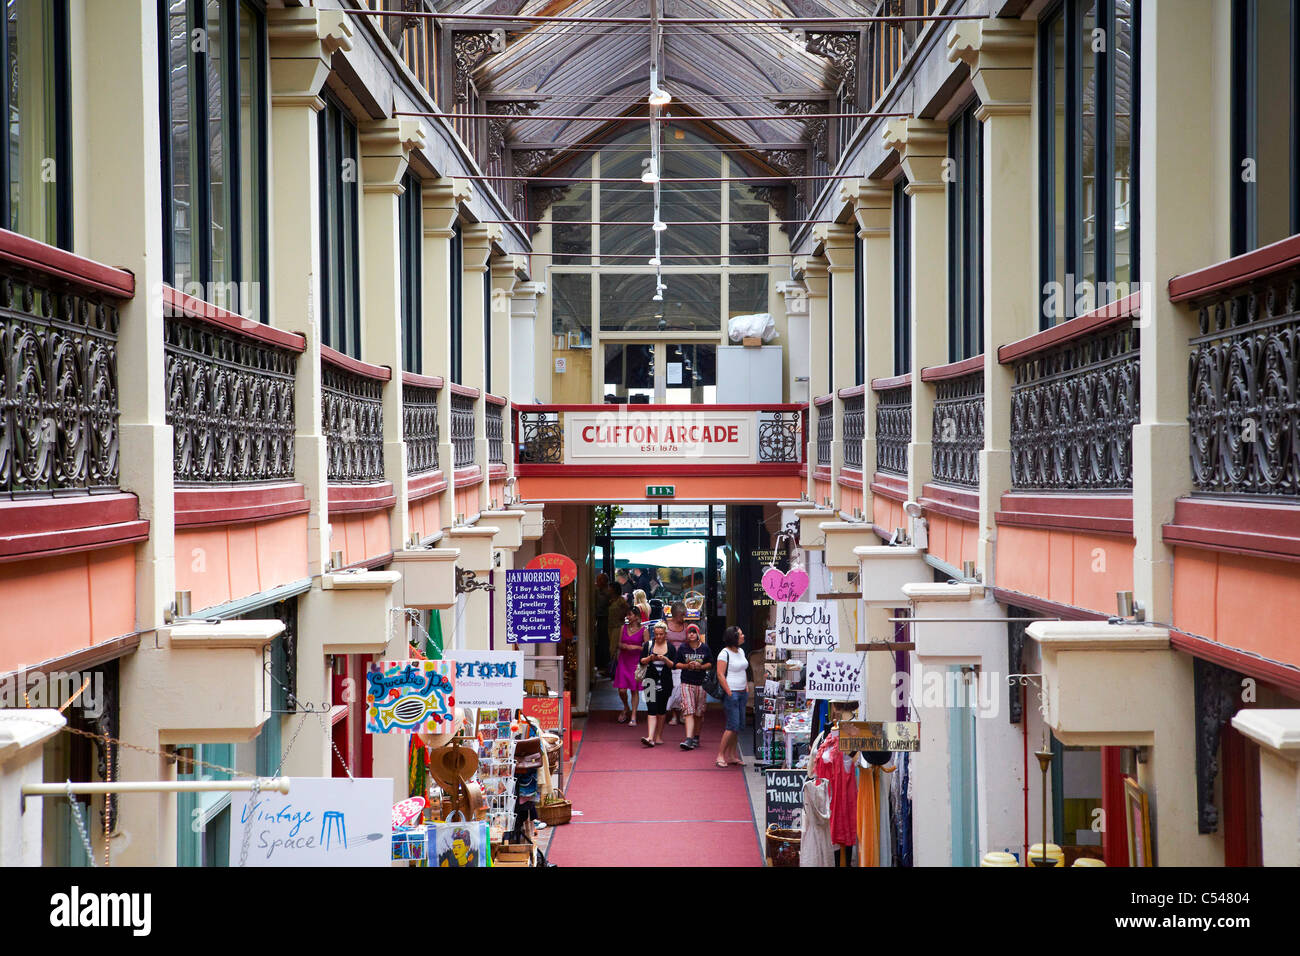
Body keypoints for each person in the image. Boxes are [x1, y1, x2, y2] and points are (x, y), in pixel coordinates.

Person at [639, 621, 678, 747]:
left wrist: (665, 659)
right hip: (650, 682)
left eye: (661, 634)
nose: (659, 637)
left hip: (665, 683)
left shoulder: (671, 648)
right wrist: (650, 658)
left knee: (661, 710)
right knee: (651, 709)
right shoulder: (648, 645)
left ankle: (659, 736)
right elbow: (641, 661)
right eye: (656, 634)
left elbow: (674, 665)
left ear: (665, 634)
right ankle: (650, 737)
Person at [714, 626, 748, 768]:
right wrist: (728, 691)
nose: (743, 636)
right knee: (731, 725)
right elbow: (720, 674)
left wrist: (746, 687)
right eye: (740, 634)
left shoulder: (741, 651)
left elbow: (743, 669)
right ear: (733, 637)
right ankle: (720, 755)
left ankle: (733, 755)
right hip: (732, 692)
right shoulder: (724, 653)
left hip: (742, 692)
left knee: (738, 725)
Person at [675, 624, 712, 750]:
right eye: (689, 632)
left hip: (701, 683)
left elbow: (710, 663)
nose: (691, 634)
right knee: (688, 710)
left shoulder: (705, 648)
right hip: (686, 682)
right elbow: (676, 664)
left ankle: (696, 737)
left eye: (693, 632)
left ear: (697, 634)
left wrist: (700, 667)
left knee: (698, 713)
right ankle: (689, 739)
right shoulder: (683, 648)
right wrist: (687, 666)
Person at [613, 605, 647, 725]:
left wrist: (636, 647)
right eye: (627, 615)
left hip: (635, 662)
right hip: (623, 660)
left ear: (637, 617)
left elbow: (647, 648)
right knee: (622, 690)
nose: (627, 617)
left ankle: (633, 716)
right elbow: (619, 644)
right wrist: (624, 646)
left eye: (630, 615)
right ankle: (626, 706)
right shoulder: (623, 628)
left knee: (634, 690)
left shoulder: (644, 630)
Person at [662, 601, 691, 725]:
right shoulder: (665, 625)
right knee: (672, 688)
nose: (683, 618)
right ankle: (674, 714)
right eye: (681, 615)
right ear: (675, 614)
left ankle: (681, 713)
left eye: (684, 615)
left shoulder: (686, 626)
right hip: (669, 660)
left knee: (681, 688)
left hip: (682, 661)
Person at [607, 585, 630, 678]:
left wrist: (622, 616)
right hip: (611, 626)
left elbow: (627, 609)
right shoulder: (612, 600)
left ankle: (616, 670)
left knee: (614, 648)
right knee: (612, 648)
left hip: (617, 626)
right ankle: (615, 669)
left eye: (611, 589)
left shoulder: (620, 601)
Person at [594, 573, 611, 673]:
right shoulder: (595, 591)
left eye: (600, 580)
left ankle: (605, 664)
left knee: (604, 642)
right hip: (598, 618)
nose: (598, 582)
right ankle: (599, 663)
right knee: (598, 641)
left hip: (605, 619)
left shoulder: (608, 593)